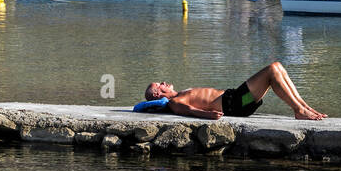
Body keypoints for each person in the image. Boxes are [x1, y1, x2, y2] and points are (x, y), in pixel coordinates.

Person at [137, 62, 326, 121]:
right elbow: (189, 111)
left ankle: (303, 107)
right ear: (157, 94)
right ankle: (299, 111)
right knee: (272, 69)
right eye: (159, 84)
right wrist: (209, 115)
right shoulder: (174, 102)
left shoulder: (179, 95)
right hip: (234, 103)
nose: (164, 82)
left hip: (236, 100)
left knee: (278, 69)